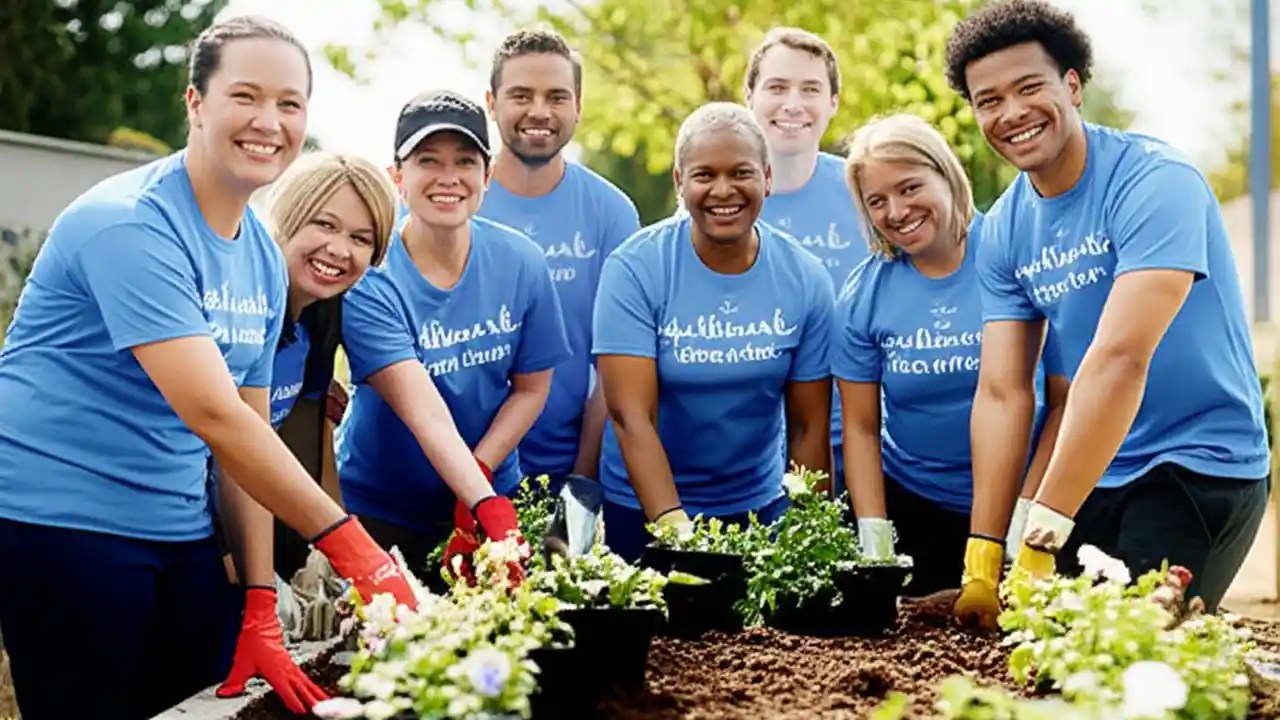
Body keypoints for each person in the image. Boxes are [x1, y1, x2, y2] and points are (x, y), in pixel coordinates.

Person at [0, 17, 417, 720]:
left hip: (177, 524)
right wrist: (357, 551)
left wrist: (259, 598)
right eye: (245, 96)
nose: (268, 121)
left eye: (290, 104)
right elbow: (212, 412)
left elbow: (245, 435)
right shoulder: (131, 223)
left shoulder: (257, 247)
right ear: (196, 104)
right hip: (65, 522)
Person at [946, 0, 1270, 626]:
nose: (1011, 113)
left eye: (1029, 87)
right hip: (1094, 470)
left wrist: (1040, 535)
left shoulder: (1155, 180)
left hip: (1197, 463)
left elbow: (1120, 357)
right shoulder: (1004, 229)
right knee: (1021, 628)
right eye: (988, 100)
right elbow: (1003, 392)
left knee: (1116, 638)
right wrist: (985, 556)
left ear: (1073, 85)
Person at [337, 89, 569, 579]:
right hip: (383, 508)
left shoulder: (521, 262)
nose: (448, 177)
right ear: (396, 176)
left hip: (488, 498)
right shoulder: (371, 277)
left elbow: (532, 388)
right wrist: (481, 498)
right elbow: (425, 414)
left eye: (465, 161)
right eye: (427, 160)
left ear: (487, 176)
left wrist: (482, 475)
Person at [834, 113, 1068, 596]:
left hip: (1029, 500)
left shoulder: (1013, 256)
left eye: (910, 187)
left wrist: (1028, 514)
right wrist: (875, 537)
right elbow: (859, 426)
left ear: (945, 173)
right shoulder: (863, 294)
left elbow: (1066, 401)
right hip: (917, 501)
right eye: (876, 201)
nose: (896, 211)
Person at [593, 102, 836, 562]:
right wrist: (675, 530)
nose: (723, 190)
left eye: (741, 173)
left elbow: (809, 425)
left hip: (758, 507)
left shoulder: (805, 277)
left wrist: (810, 535)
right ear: (679, 182)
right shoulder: (635, 269)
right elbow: (630, 416)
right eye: (704, 175)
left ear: (767, 177)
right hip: (641, 511)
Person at [477, 28, 641, 485]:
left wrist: (580, 481)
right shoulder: (450, 201)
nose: (539, 112)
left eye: (556, 96)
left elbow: (616, 365)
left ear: (578, 107)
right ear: (491, 103)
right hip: (454, 467)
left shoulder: (612, 212)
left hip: (568, 468)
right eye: (521, 95)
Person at [745, 27, 869, 484]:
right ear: (750, 97)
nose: (792, 104)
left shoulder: (869, 189)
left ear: (833, 102)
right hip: (751, 454)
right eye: (777, 87)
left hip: (860, 440)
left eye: (811, 89)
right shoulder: (719, 200)